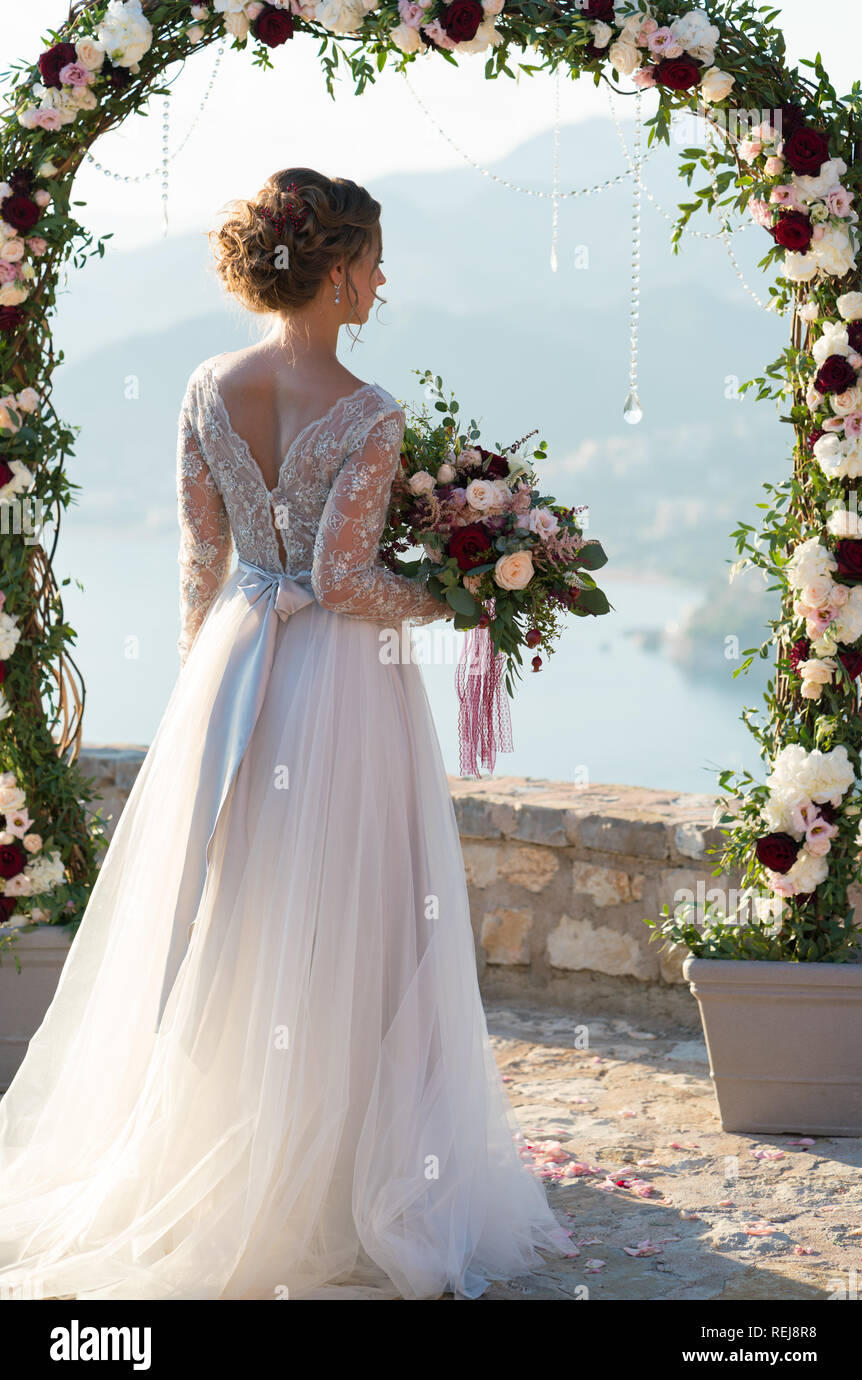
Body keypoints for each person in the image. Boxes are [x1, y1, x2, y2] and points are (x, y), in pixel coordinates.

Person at [0, 167, 577, 1300]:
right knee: (359, 904)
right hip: (337, 681)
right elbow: (342, 577)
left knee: (250, 908)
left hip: (233, 666)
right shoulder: (368, 410)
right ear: (337, 266)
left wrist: (200, 687)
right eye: (372, 261)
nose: (381, 283)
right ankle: (339, 1172)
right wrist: (464, 600)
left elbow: (202, 564)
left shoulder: (209, 386)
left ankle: (245, 1150)